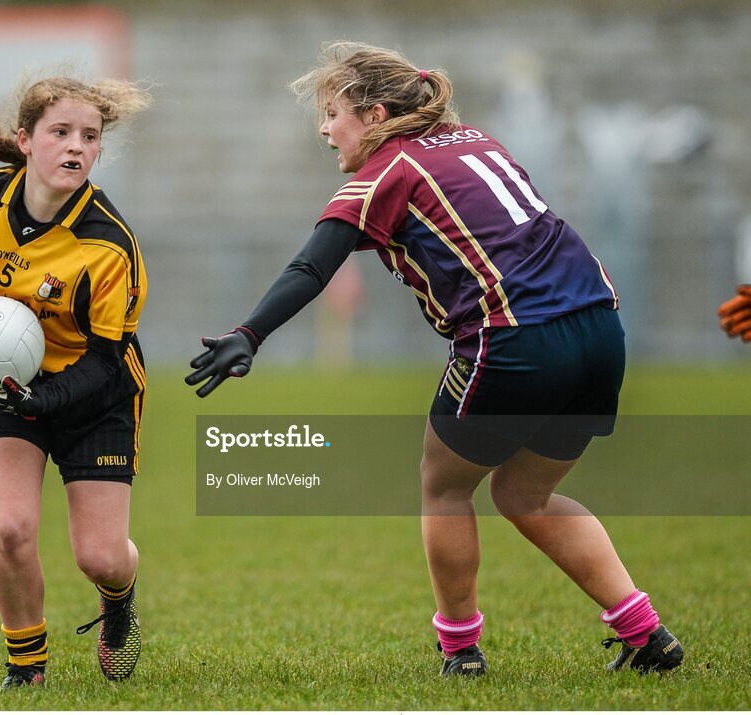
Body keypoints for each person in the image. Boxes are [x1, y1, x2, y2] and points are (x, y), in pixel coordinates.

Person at [185, 42, 683, 677]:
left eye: (332, 111)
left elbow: (312, 265)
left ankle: (461, 653)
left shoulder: (383, 175)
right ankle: (646, 634)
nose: (324, 128)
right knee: (525, 493)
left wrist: (249, 334)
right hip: (601, 329)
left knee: (443, 485)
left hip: (515, 338)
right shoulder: (477, 140)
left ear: (374, 112)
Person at [0, 74, 151, 687]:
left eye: (90, 136)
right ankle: (27, 669)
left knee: (99, 557)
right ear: (25, 140)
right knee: (11, 529)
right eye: (61, 133)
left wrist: (43, 396)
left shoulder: (108, 245)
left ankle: (119, 599)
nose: (76, 146)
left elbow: (106, 362)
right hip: (2, 390)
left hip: (95, 396)